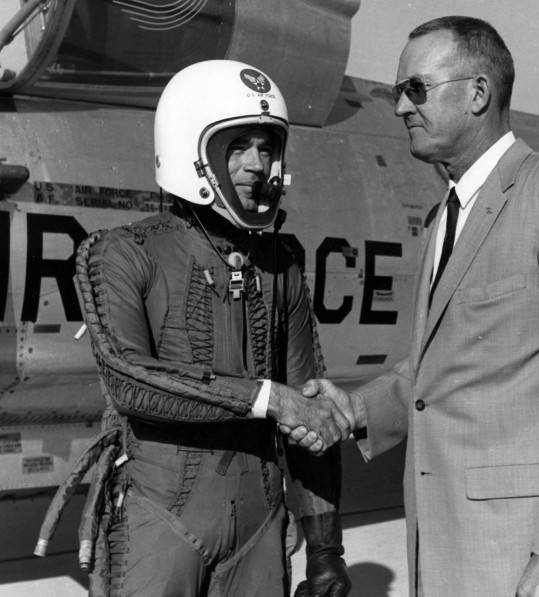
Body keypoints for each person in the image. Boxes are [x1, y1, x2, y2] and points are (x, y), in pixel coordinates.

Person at [294, 16, 539, 597]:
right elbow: (436, 376)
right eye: (395, 92)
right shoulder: (443, 218)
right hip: (449, 551)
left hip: (528, 552)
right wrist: (356, 407)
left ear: (478, 92)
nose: (401, 107)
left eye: (415, 89)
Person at [39, 60, 352, 597]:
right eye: (238, 147)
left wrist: (325, 548)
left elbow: (312, 413)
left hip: (260, 531)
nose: (259, 165)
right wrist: (267, 400)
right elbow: (131, 380)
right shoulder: (120, 253)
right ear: (193, 151)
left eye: (267, 147)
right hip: (158, 523)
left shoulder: (282, 265)